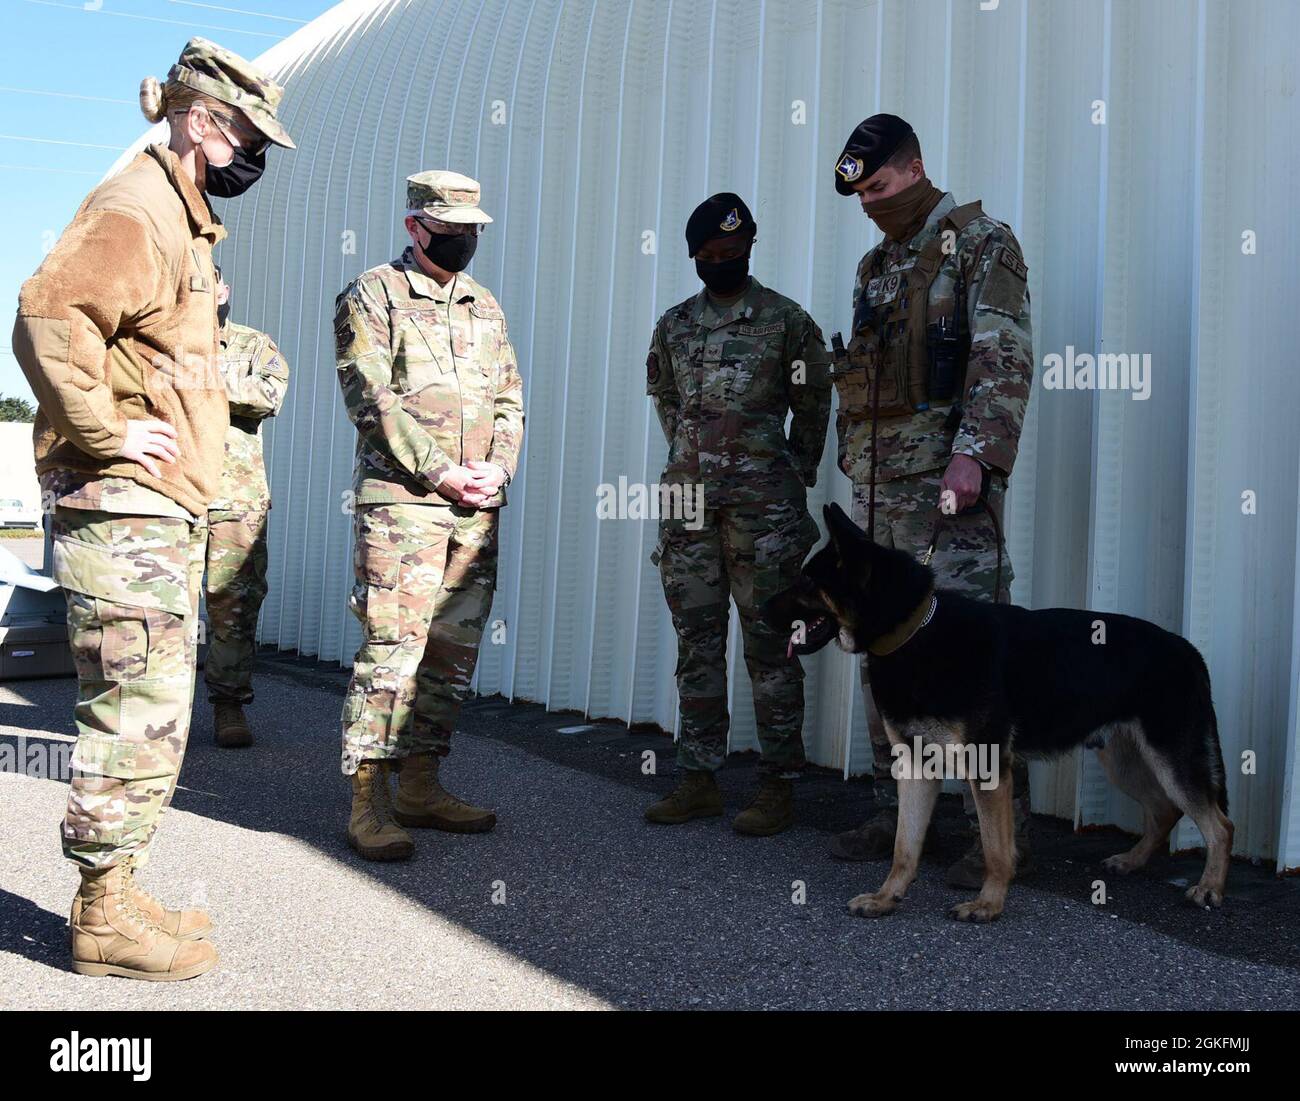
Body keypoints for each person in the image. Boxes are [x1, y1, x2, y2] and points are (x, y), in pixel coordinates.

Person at [13, 37, 294, 980]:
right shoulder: (138, 207)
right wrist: (103, 432)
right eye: (247, 135)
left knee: (155, 706)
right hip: (120, 501)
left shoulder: (182, 218)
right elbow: (47, 317)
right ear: (200, 121)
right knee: (134, 706)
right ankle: (100, 915)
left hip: (155, 506)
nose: (253, 155)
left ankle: (120, 886)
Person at [826, 114, 1034, 886]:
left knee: (973, 657)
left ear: (915, 168)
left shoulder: (983, 244)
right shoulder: (874, 264)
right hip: (880, 492)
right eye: (860, 194)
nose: (870, 203)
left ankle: (997, 836)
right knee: (886, 652)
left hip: (951, 489)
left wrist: (974, 455)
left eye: (879, 187)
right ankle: (898, 809)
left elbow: (1003, 352)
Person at [333, 171, 524, 861]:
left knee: (451, 651)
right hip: (404, 503)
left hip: (475, 506)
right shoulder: (373, 295)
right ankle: (368, 800)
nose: (464, 241)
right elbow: (369, 395)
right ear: (416, 227)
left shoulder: (483, 304)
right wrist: (440, 469)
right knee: (393, 649)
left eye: (473, 231)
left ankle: (421, 783)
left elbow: (509, 395)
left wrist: (498, 467)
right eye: (451, 231)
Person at [644, 194, 831, 836]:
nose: (724, 261)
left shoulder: (787, 322)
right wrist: (694, 456)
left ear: (749, 250)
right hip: (687, 506)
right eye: (712, 255)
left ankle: (778, 785)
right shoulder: (673, 325)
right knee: (697, 641)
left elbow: (812, 407)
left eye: (735, 252)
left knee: (771, 646)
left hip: (765, 514)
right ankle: (698, 778)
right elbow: (667, 398)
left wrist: (790, 472)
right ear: (695, 256)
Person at [204, 270, 290, 747]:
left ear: (224, 290)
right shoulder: (151, 340)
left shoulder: (255, 345)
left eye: (211, 283)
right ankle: (156, 717)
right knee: (159, 610)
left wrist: (196, 376)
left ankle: (228, 704)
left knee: (234, 605)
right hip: (166, 490)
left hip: (235, 498)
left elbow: (268, 395)